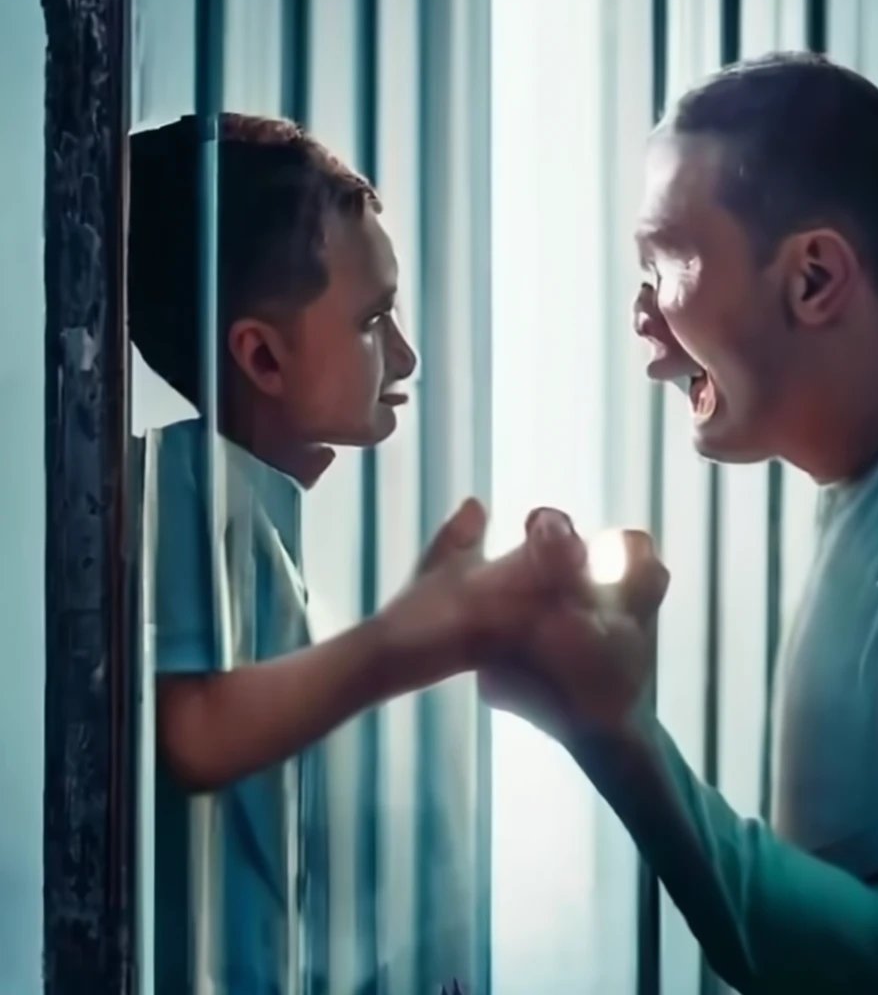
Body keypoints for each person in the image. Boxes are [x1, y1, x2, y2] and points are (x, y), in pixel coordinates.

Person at [474, 52, 878, 994]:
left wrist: (620, 739)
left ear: (813, 278)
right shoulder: (875, 495)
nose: (643, 321)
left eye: (665, 265)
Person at [128, 114, 582, 994]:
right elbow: (193, 734)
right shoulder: (184, 482)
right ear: (261, 358)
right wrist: (409, 641)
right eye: (374, 319)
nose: (404, 353)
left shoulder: (264, 531)